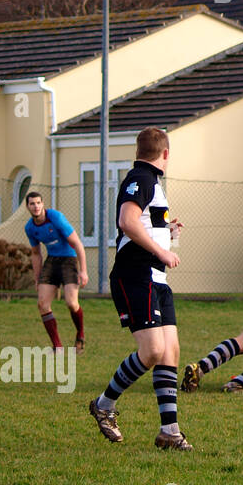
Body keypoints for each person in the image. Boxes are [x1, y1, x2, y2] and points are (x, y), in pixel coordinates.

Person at [87, 126, 191, 450]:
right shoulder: (142, 179)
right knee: (152, 352)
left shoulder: (152, 183)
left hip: (156, 278)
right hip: (136, 276)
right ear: (166, 154)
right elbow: (127, 221)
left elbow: (143, 224)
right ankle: (104, 404)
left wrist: (166, 232)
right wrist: (161, 251)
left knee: (169, 352)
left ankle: (169, 432)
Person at [23, 191, 88, 352]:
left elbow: (78, 244)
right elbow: (36, 254)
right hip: (52, 261)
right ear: (27, 207)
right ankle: (57, 346)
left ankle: (80, 335)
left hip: (69, 260)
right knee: (42, 304)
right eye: (32, 204)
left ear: (43, 204)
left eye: (38, 203)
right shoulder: (30, 227)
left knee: (72, 303)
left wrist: (83, 271)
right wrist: (38, 278)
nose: (36, 206)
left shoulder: (56, 218)